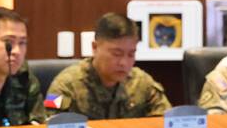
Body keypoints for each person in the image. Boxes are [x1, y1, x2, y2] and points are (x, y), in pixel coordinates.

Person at [43, 13, 171, 119]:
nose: (124, 63)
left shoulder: (143, 83)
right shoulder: (65, 86)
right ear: (95, 47)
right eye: (117, 54)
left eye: (131, 54)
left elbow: (165, 125)